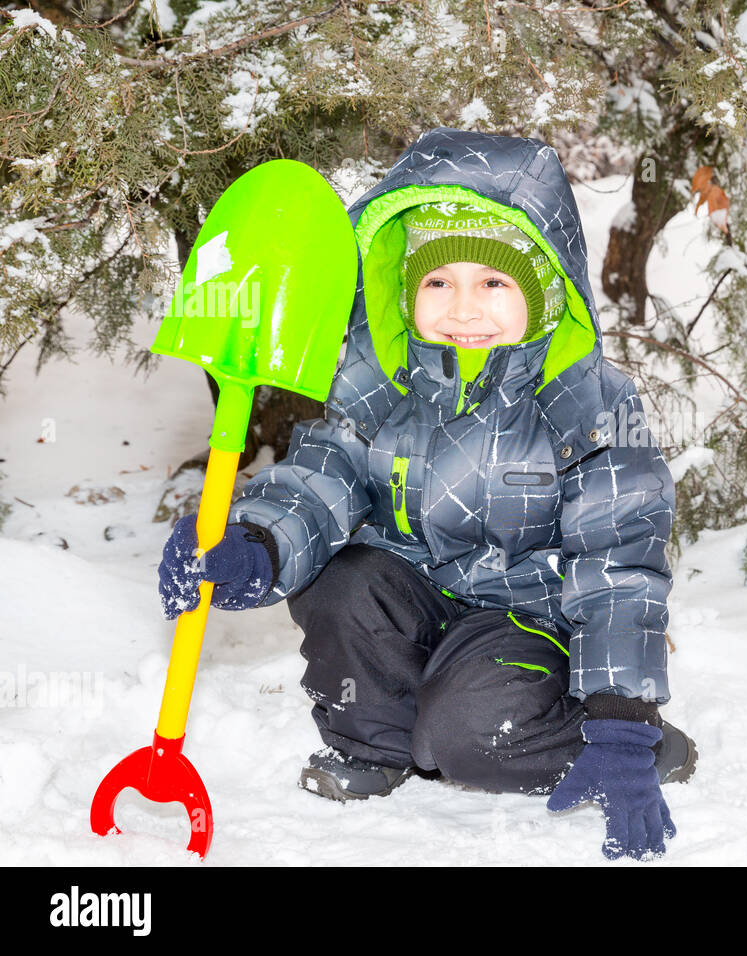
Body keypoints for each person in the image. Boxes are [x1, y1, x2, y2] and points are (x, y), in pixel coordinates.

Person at [157, 127, 695, 861]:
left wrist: (623, 718)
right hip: (415, 598)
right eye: (438, 282)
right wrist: (253, 543)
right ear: (404, 288)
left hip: (527, 623)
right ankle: (373, 742)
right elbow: (324, 480)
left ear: (544, 291)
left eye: (494, 283)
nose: (462, 309)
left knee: (470, 735)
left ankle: (621, 743)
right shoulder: (382, 379)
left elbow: (620, 562)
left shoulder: (588, 403)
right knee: (343, 583)